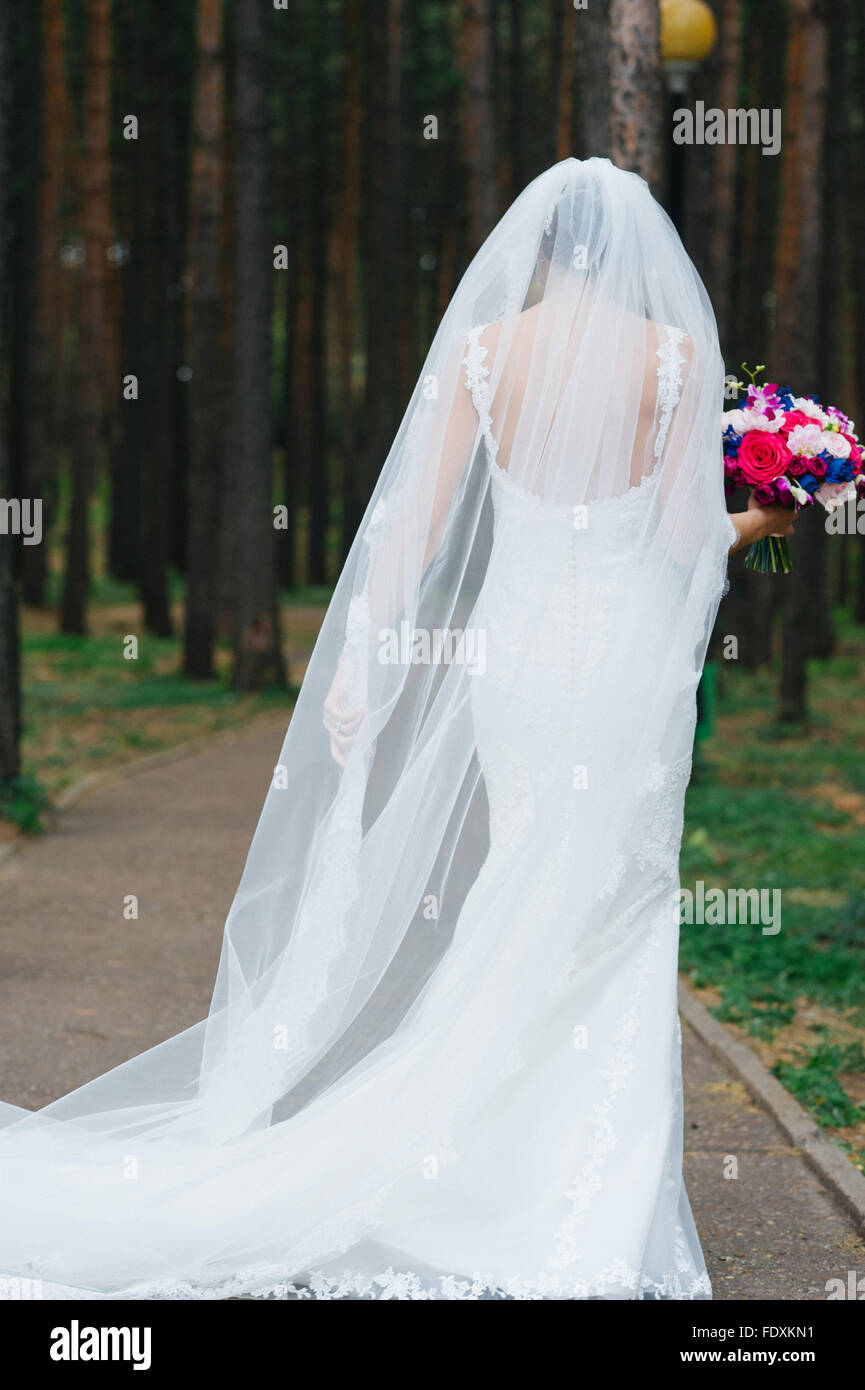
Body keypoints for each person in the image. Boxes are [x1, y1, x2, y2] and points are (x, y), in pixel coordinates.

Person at [0, 158, 792, 1301]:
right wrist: (771, 510)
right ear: (629, 249)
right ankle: (584, 1193)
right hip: (618, 664)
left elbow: (410, 531)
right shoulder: (669, 357)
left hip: (517, 663)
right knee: (612, 900)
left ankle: (478, 1152)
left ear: (534, 250)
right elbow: (679, 536)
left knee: (522, 874)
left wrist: (362, 655)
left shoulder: (490, 351)